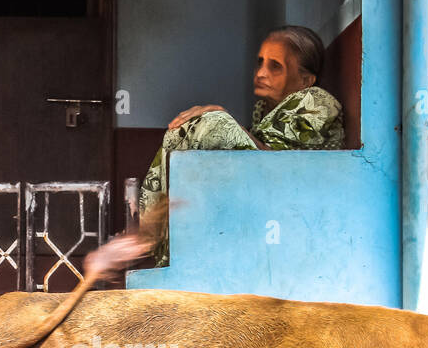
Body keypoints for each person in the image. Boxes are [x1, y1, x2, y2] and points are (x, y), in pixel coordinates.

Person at [138, 25, 344, 265]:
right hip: (265, 195)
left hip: (301, 207)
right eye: (260, 62)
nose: (261, 73)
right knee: (182, 129)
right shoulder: (264, 111)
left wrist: (223, 118)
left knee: (214, 122)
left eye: (275, 66)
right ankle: (156, 240)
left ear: (305, 80)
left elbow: (281, 164)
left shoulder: (318, 102)